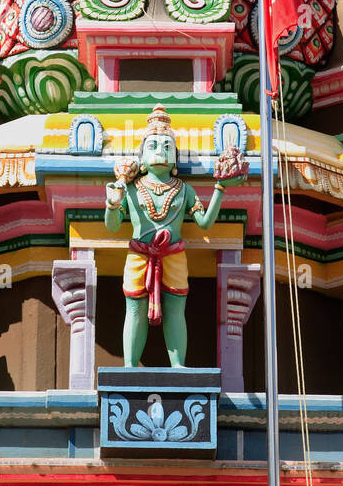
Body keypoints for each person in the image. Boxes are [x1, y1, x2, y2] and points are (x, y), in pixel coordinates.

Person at [105, 105, 245, 367]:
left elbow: (204, 223)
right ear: (142, 158)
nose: (161, 150)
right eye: (153, 145)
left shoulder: (184, 190)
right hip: (139, 254)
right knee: (134, 309)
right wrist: (112, 204)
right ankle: (130, 365)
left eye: (167, 146)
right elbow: (112, 227)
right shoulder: (131, 189)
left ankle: (178, 365)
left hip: (173, 254)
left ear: (176, 158)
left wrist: (220, 188)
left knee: (175, 309)